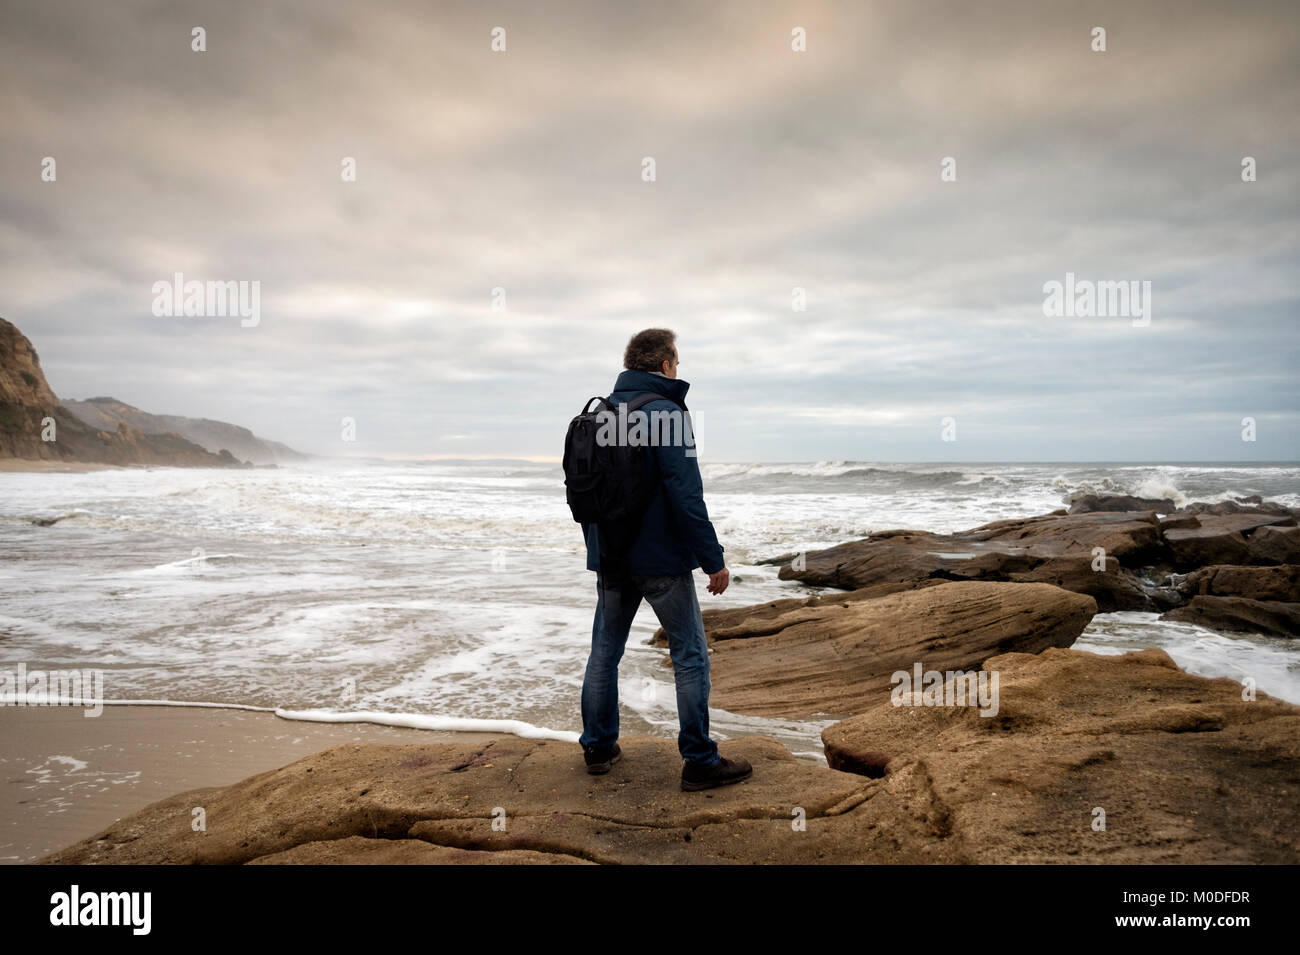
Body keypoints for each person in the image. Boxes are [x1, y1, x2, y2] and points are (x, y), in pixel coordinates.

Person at [577, 328, 753, 791]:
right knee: (691, 656)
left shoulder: (603, 413)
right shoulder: (668, 415)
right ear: (666, 365)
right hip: (661, 562)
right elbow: (685, 493)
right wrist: (712, 559)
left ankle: (597, 747)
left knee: (604, 653)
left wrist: (600, 550)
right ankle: (699, 760)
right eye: (678, 362)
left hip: (611, 558)